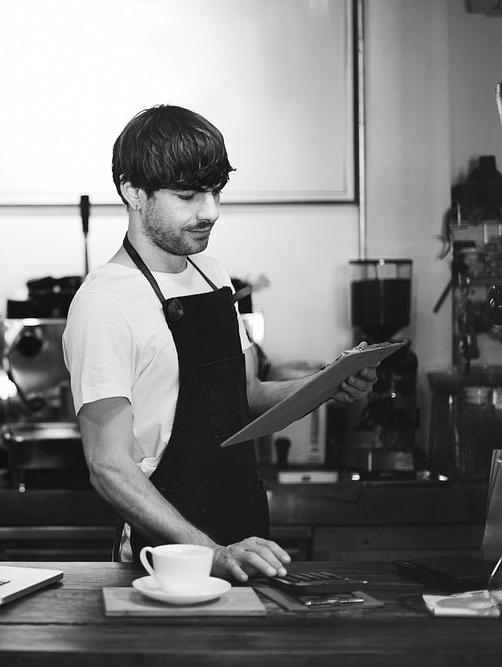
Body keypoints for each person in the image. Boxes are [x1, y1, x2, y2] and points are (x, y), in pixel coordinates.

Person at [62, 104, 377, 583]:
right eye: (187, 195)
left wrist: (328, 382)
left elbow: (245, 397)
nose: (209, 212)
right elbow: (109, 467)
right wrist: (208, 552)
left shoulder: (213, 274)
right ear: (132, 192)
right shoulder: (104, 302)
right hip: (165, 559)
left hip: (245, 537)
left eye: (213, 192)